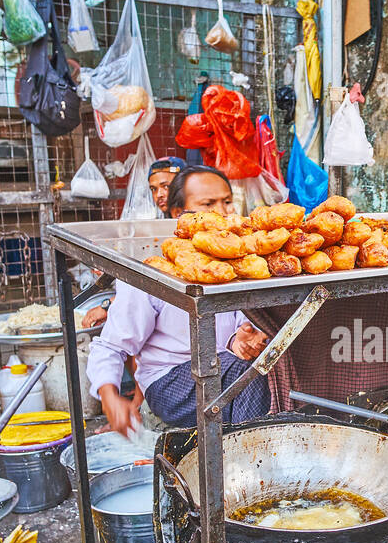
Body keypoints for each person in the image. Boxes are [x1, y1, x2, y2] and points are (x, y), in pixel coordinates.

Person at [87, 164, 270, 432]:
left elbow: (233, 329)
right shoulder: (154, 269)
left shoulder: (236, 262)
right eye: (208, 204)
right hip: (168, 379)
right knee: (246, 374)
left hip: (222, 363)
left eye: (227, 201)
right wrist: (109, 397)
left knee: (264, 365)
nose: (223, 212)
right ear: (179, 215)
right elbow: (111, 345)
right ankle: (248, 450)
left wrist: (240, 339)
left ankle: (238, 445)